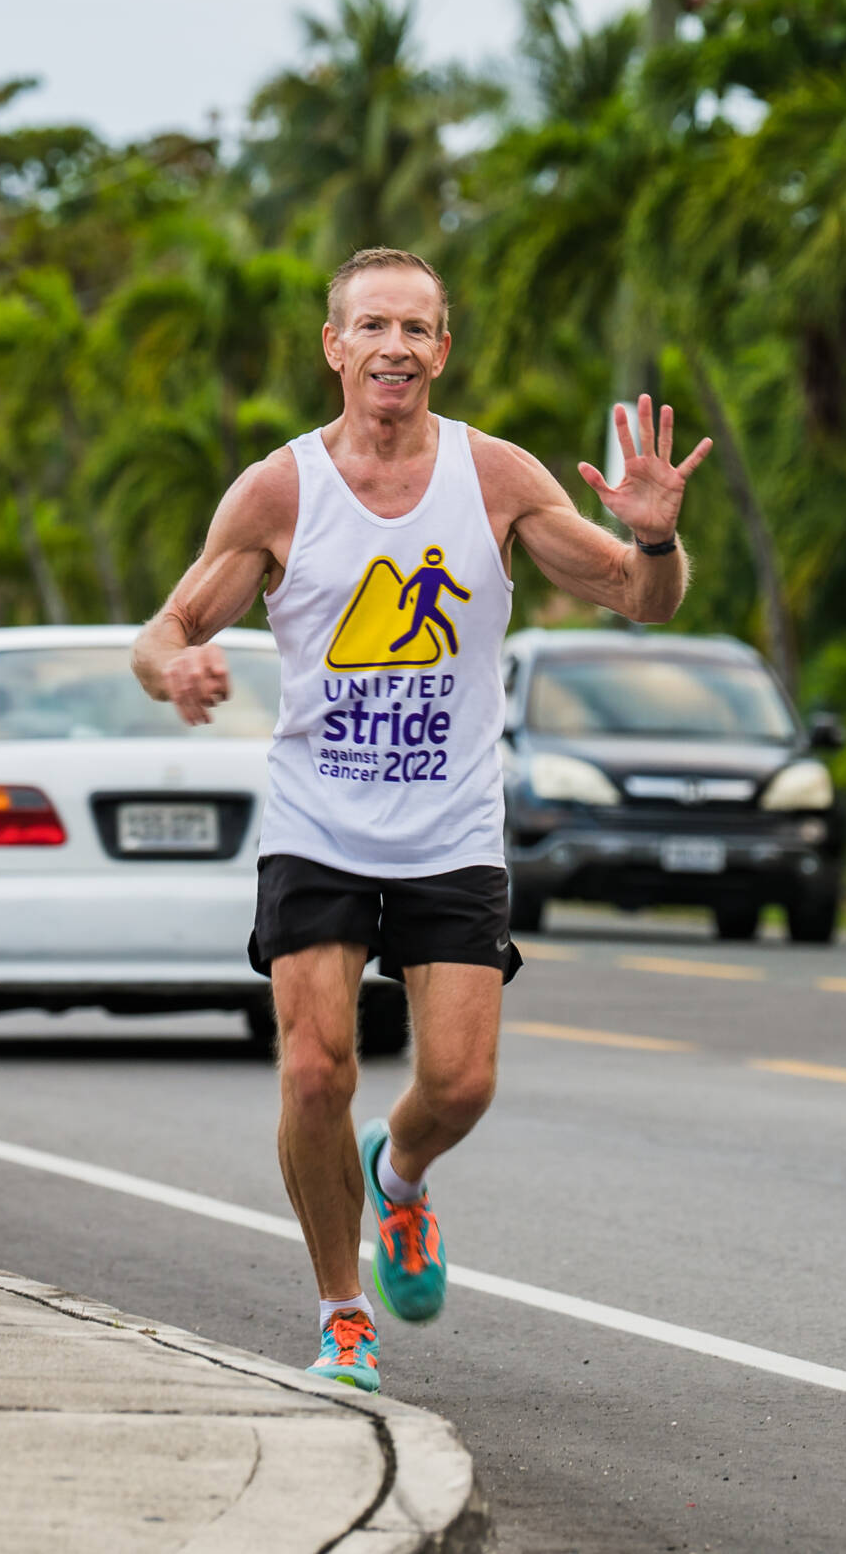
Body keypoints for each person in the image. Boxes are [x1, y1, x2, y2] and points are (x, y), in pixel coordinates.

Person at [130, 248, 708, 1392]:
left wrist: (652, 536)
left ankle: (397, 1172)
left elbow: (640, 598)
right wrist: (173, 667)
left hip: (450, 830)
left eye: (414, 327)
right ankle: (343, 1312)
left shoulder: (493, 477)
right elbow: (166, 627)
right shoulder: (280, 490)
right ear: (333, 345)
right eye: (371, 325)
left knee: (459, 1084)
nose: (393, 345)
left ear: (442, 349)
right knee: (314, 1071)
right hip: (319, 823)